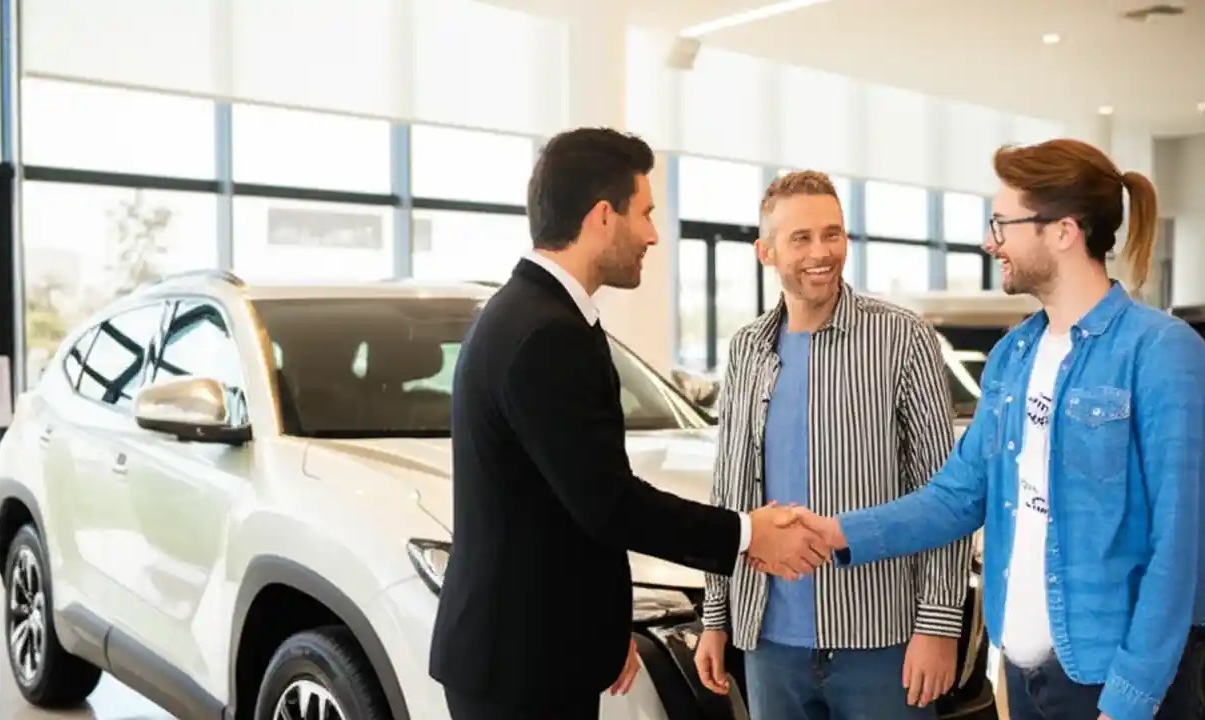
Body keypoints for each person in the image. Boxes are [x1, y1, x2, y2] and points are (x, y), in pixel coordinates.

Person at [790, 138, 1205, 720]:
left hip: (1114, 682)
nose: (990, 241)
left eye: (1002, 223)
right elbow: (957, 496)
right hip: (1024, 674)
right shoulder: (1014, 355)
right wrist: (833, 533)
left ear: (1063, 231)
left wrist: (1130, 700)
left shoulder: (1162, 352)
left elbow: (1180, 547)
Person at [428, 127, 829, 720]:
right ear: (602, 217)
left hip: (537, 647)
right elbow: (608, 503)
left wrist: (602, 624)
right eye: (643, 213)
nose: (652, 234)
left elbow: (563, 509)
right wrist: (749, 534)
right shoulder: (545, 334)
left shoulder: (537, 313)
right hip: (518, 667)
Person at [692, 170, 974, 719]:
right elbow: (727, 489)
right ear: (765, 252)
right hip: (769, 641)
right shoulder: (746, 349)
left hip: (882, 636)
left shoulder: (902, 337)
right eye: (801, 239)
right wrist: (715, 618)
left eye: (833, 233)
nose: (821, 252)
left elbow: (945, 491)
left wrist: (939, 624)